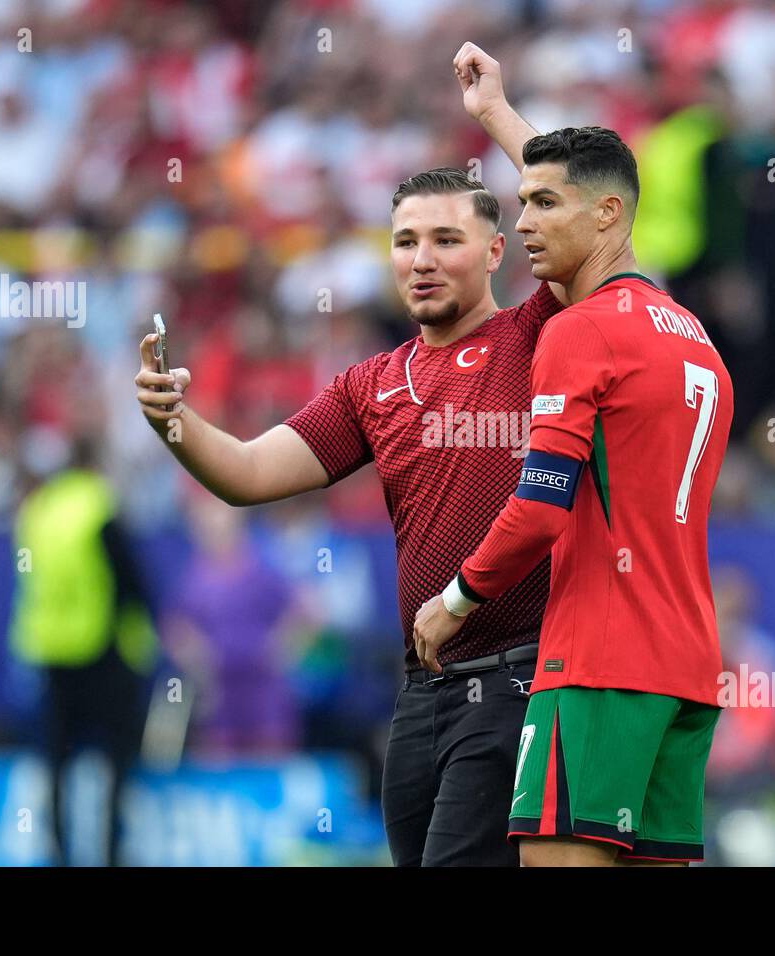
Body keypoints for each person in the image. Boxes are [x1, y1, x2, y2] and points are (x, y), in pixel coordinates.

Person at [135, 156, 565, 864]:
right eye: (405, 242)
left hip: (518, 682)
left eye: (446, 240)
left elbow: (584, 197)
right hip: (421, 695)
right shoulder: (373, 384)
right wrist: (172, 419)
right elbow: (245, 472)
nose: (421, 260)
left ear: (496, 251)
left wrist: (494, 111)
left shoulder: (535, 336)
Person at [414, 43, 735, 867]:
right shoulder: (692, 339)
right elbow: (585, 177)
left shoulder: (580, 333)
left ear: (605, 217)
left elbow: (540, 505)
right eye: (520, 204)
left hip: (596, 660)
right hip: (686, 670)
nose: (520, 224)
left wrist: (455, 599)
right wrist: (494, 114)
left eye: (541, 206)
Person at [9, 435, 158, 866]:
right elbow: (131, 582)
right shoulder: (99, 507)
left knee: (57, 764)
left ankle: (57, 852)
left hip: (51, 655)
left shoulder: (37, 513)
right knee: (114, 764)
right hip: (102, 651)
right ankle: (110, 853)